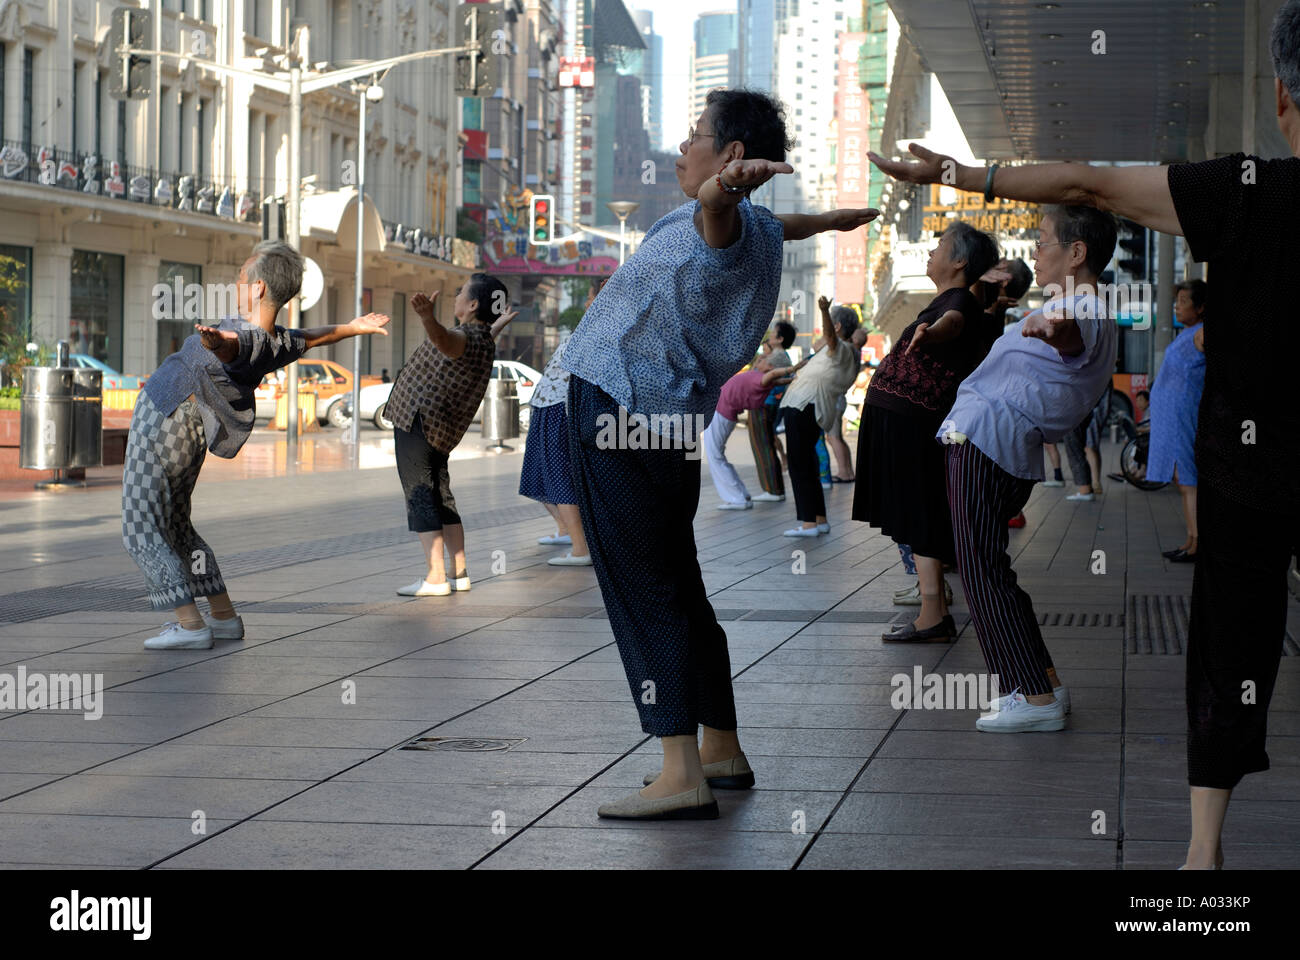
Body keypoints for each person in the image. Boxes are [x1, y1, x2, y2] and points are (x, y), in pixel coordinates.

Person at [869, 0, 1300, 866]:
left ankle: (1202, 856)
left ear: (1284, 98)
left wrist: (956, 170)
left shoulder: (1249, 191)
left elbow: (1089, 183)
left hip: (1253, 467)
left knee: (1230, 642)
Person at [561, 88, 878, 820]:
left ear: (732, 157)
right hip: (661, 418)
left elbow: (718, 209)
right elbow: (767, 220)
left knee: (647, 591)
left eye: (697, 134)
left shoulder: (721, 215)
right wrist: (828, 219)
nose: (681, 145)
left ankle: (679, 771)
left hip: (620, 409)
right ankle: (720, 748)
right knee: (677, 583)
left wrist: (724, 189)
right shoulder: (756, 229)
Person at [122, 240, 390, 650]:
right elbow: (311, 337)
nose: (235, 282)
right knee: (176, 526)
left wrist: (217, 343)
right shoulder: (276, 341)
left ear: (259, 287)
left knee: (140, 526)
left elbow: (234, 346)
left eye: (241, 276)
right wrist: (353, 327)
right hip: (181, 424)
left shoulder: (246, 338)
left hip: (164, 418)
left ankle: (190, 625)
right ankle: (224, 617)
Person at [852, 222, 998, 641]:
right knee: (915, 513)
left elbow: (951, 323)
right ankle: (932, 611)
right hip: (903, 420)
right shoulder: (947, 299)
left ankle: (933, 615)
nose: (931, 252)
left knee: (919, 513)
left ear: (959, 261)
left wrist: (930, 332)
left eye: (939, 246)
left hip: (912, 423)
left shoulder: (958, 303)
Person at [386, 274, 517, 597]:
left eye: (462, 293)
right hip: (438, 432)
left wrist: (426, 317)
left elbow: (446, 342)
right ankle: (459, 573)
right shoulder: (482, 338)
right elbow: (470, 337)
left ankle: (435, 577)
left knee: (420, 495)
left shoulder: (465, 339)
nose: (456, 296)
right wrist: (496, 324)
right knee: (441, 497)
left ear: (472, 305)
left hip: (419, 424)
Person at [520, 278, 605, 565]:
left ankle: (581, 549)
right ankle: (565, 530)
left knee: (558, 476)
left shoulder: (601, 328)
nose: (586, 302)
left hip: (560, 407)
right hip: (547, 404)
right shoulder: (594, 326)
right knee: (539, 474)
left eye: (591, 296)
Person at [779, 296, 862, 537]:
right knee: (808, 463)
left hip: (806, 406)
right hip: (807, 407)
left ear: (836, 327)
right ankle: (819, 519)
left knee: (799, 465)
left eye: (830, 324)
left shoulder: (842, 349)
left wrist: (824, 311)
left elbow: (830, 339)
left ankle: (808, 524)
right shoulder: (842, 353)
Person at [1148, 280, 1208, 563]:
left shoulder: (1201, 333)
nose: (1177, 305)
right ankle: (1191, 539)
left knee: (1187, 479)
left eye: (1184, 300)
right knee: (1181, 478)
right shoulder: (1187, 332)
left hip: (1184, 415)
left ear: (1201, 308)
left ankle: (1198, 542)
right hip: (1173, 418)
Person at [705, 357, 798, 508]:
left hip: (721, 413)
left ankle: (737, 498)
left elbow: (774, 376)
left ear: (769, 367)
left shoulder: (761, 379)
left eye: (764, 360)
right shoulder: (759, 377)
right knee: (716, 455)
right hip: (722, 412)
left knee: (715, 456)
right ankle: (740, 495)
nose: (760, 360)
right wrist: (790, 378)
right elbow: (777, 380)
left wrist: (791, 370)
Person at [747, 321, 797, 501]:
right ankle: (772, 489)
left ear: (780, 339)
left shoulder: (778, 356)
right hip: (765, 402)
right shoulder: (779, 355)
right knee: (766, 443)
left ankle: (773, 490)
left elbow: (755, 371)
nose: (769, 337)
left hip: (764, 403)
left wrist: (761, 358)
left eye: (773, 334)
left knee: (763, 444)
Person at [825, 306, 867, 482]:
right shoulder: (853, 351)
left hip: (834, 397)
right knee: (837, 436)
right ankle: (847, 471)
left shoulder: (846, 349)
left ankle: (845, 472)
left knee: (833, 436)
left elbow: (821, 343)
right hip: (838, 397)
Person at [1063, 386, 1110, 501]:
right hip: (1089, 409)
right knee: (1087, 447)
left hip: (1085, 409)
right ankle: (1093, 483)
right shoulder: (1103, 370)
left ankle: (1087, 487)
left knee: (1083, 448)